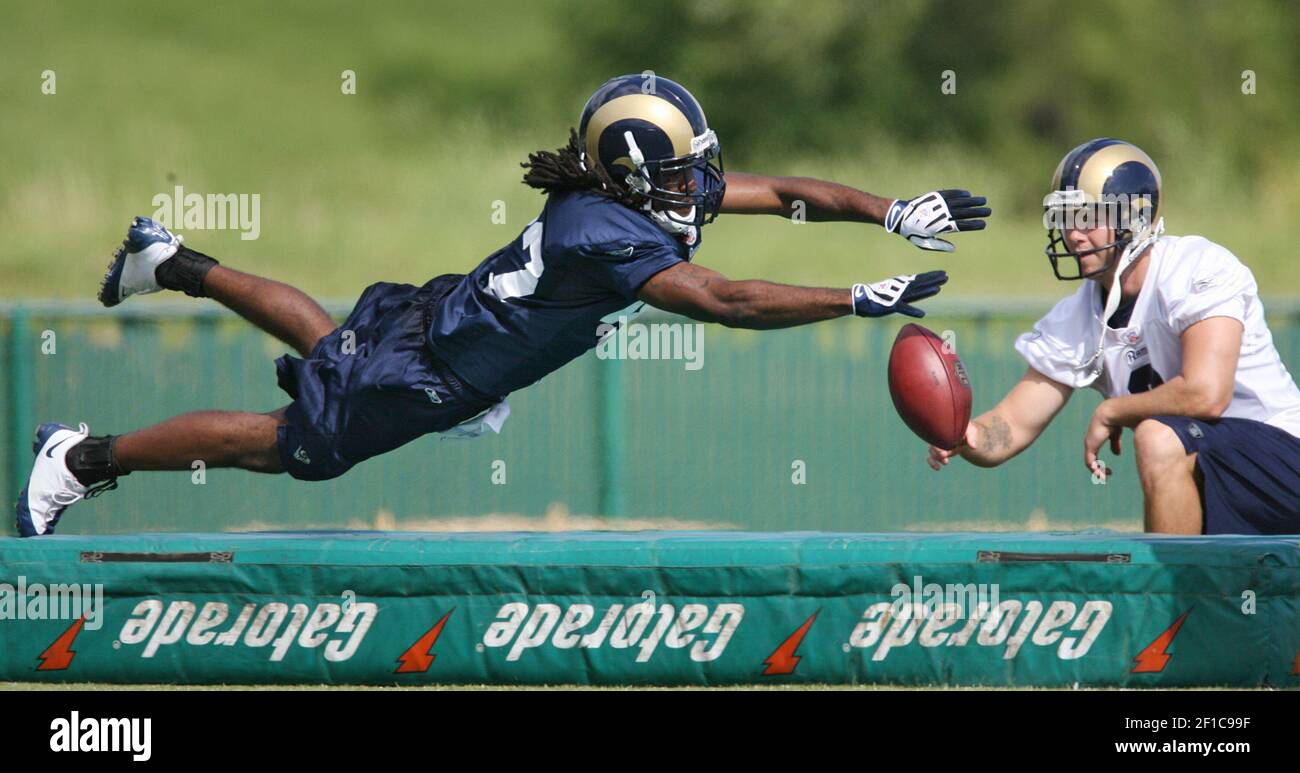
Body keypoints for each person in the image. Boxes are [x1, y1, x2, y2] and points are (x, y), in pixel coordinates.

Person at [16, 74, 990, 536]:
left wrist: (891, 211)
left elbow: (781, 193)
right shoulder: (603, 233)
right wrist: (853, 300)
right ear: (637, 177)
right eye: (688, 169)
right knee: (288, 444)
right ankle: (85, 457)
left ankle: (169, 261)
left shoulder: (615, 196)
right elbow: (726, 300)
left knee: (329, 340)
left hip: (452, 318)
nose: (709, 182)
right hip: (440, 365)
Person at [928, 138, 1300, 534]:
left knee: (1158, 438)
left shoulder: (1196, 267)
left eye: (1087, 217)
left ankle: (1161, 598)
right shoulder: (1079, 314)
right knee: (1162, 441)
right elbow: (1013, 425)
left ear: (1135, 217)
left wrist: (1112, 410)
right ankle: (1180, 593)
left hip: (1283, 462)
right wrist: (968, 436)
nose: (1073, 234)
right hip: (1213, 480)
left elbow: (1207, 395)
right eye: (1065, 217)